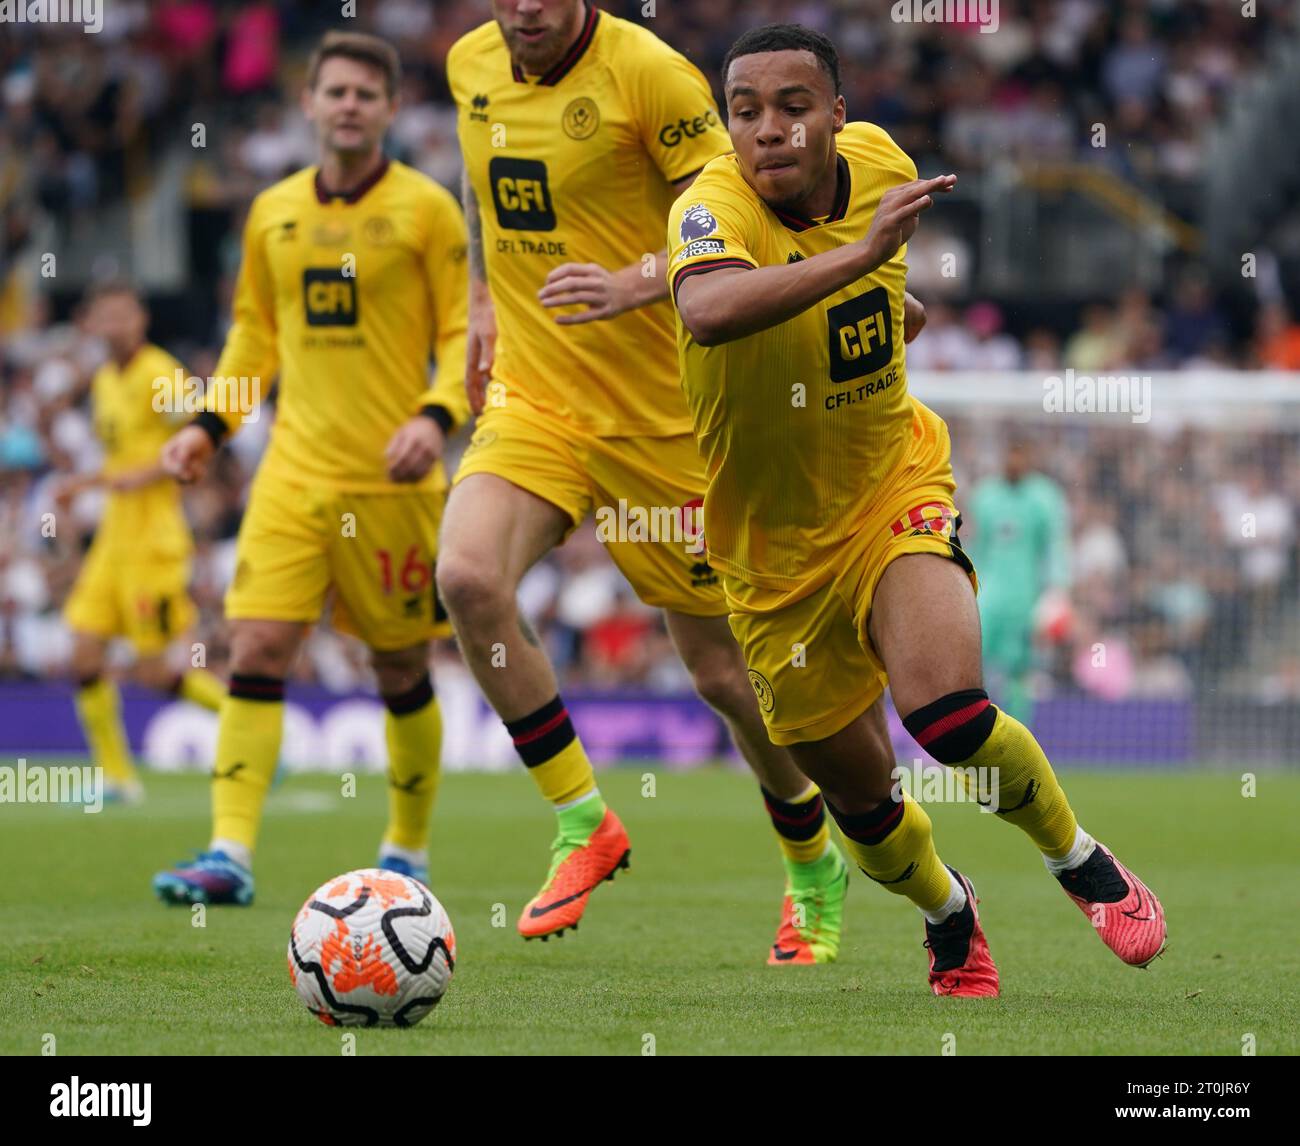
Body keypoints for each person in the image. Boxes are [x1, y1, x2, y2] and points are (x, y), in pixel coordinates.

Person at [668, 23, 1166, 995]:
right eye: (745, 112)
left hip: (891, 483)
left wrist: (884, 294)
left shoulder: (881, 165)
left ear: (839, 117)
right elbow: (710, 312)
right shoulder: (709, 206)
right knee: (860, 798)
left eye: (793, 108)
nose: (767, 131)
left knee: (945, 711)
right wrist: (861, 261)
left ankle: (1078, 859)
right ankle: (947, 910)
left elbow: (885, 291)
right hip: (769, 551)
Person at [437, 0, 920, 960]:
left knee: (729, 681)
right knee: (467, 578)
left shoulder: (650, 74)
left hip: (668, 421)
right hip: (537, 400)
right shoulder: (467, 64)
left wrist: (635, 280)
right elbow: (478, 183)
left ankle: (811, 856)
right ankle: (584, 820)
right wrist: (483, 296)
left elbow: (734, 199)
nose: (524, 8)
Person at [152, 32, 470, 905]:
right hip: (292, 476)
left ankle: (406, 848)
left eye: (367, 93)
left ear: (392, 108)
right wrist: (209, 427)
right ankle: (230, 853)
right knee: (255, 645)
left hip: (394, 482)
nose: (350, 105)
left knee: (400, 669)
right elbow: (254, 334)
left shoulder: (427, 211)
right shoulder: (273, 213)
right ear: (309, 102)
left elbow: (462, 336)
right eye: (335, 90)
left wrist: (435, 417)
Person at [59, 280, 226, 803]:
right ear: (92, 323)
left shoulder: (160, 374)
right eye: (103, 316)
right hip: (113, 538)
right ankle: (117, 778)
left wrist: (148, 474)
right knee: (83, 656)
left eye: (122, 315)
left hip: (155, 540)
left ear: (141, 320)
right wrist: (81, 484)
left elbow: (199, 441)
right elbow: (118, 463)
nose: (113, 326)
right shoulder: (105, 380)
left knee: (155, 672)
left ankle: (253, 731)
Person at [967, 433, 1071, 726]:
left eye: (1020, 455)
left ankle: (1019, 737)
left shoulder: (1044, 497)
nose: (1014, 462)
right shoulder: (985, 496)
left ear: (1029, 459)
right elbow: (975, 545)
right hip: (986, 598)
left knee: (1020, 672)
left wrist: (1057, 590)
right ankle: (974, 733)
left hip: (1026, 600)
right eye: (1010, 455)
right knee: (975, 665)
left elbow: (1055, 547)